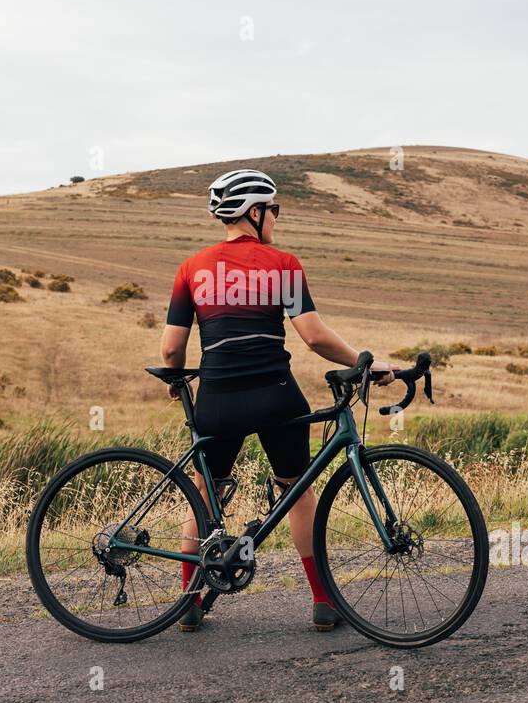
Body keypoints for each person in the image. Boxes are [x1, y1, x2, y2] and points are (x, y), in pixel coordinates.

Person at [159, 168, 394, 631]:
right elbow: (313, 336)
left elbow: (171, 348)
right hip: (276, 397)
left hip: (218, 398)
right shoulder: (283, 264)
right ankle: (323, 602)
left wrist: (173, 379)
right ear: (255, 212)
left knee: (205, 491)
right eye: (274, 210)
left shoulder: (191, 268)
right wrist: (365, 360)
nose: (277, 219)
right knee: (297, 490)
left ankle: (189, 602)